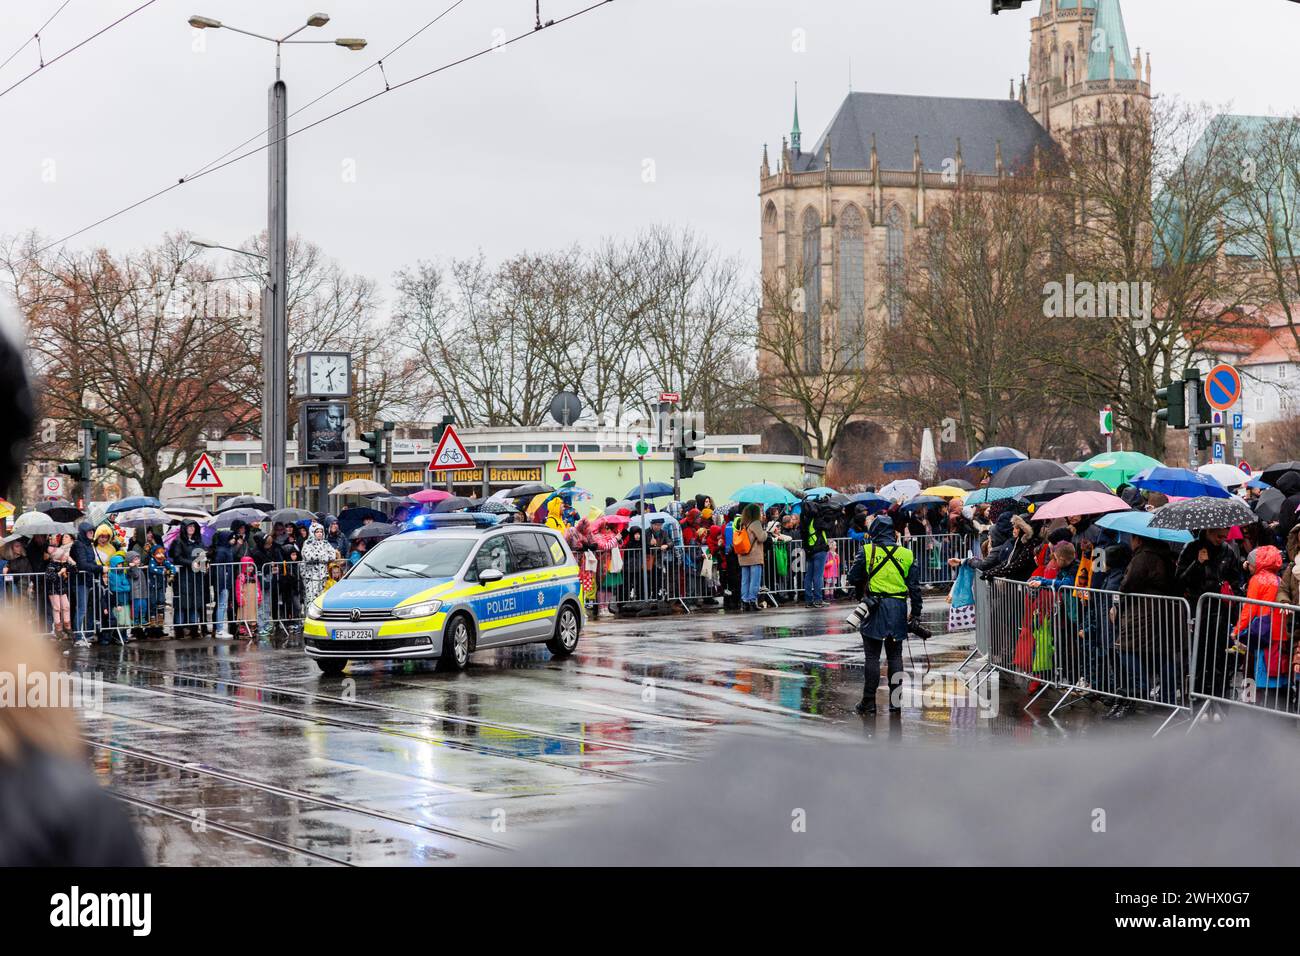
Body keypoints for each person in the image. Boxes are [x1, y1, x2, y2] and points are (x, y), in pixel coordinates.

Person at [846, 515, 922, 716]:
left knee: (872, 657)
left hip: (874, 607)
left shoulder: (868, 550)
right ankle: (896, 703)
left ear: (875, 532)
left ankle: (868, 702)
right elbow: (914, 587)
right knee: (895, 655)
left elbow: (852, 576)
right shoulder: (906, 554)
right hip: (898, 607)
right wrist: (916, 614)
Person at [1108, 534, 1178, 718]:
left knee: (1123, 647)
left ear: (1139, 540)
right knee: (1162, 653)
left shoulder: (1143, 557)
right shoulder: (1166, 556)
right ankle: (1167, 699)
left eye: (1132, 539)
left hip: (1142, 613)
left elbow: (1129, 583)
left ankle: (1141, 685)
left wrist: (1117, 604)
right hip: (1163, 612)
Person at [168, 520, 207, 638]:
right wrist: (191, 563)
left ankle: (194, 628)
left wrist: (206, 561)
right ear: (184, 528)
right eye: (189, 526)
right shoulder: (178, 541)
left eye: (193, 526)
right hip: (183, 577)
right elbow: (177, 558)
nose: (191, 528)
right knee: (181, 603)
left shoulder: (198, 541)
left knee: (195, 602)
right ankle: (179, 629)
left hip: (196, 577)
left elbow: (202, 555)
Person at [735, 503, 768, 612]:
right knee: (755, 580)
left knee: (745, 580)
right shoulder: (755, 523)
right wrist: (766, 532)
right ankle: (752, 601)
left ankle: (744, 602)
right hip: (754, 556)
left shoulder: (742, 523)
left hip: (744, 556)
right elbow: (762, 538)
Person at [800, 498, 832, 608]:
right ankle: (818, 599)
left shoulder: (804, 520)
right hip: (819, 549)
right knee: (817, 576)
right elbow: (828, 526)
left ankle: (808, 600)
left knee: (809, 576)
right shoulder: (816, 519)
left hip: (810, 550)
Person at [301, 524, 336, 605]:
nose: (319, 533)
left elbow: (333, 555)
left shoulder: (325, 543)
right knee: (311, 598)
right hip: (311, 576)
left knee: (322, 598)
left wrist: (319, 556)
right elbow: (308, 556)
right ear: (312, 532)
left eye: (321, 531)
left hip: (323, 575)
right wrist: (323, 556)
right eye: (317, 532)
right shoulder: (308, 543)